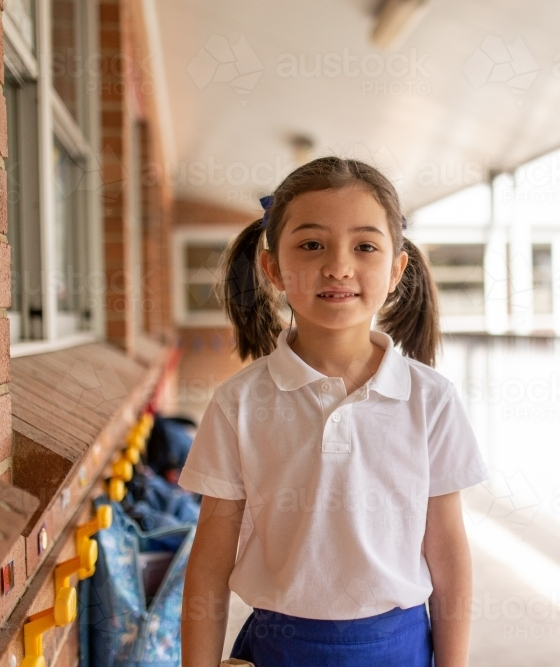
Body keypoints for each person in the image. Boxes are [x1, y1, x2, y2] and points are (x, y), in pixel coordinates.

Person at [178, 156, 490, 667]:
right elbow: (210, 561)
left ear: (396, 270)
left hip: (401, 648)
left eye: (365, 246)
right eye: (311, 244)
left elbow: (449, 555)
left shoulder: (431, 399)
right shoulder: (240, 402)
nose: (338, 266)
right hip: (279, 648)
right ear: (273, 267)